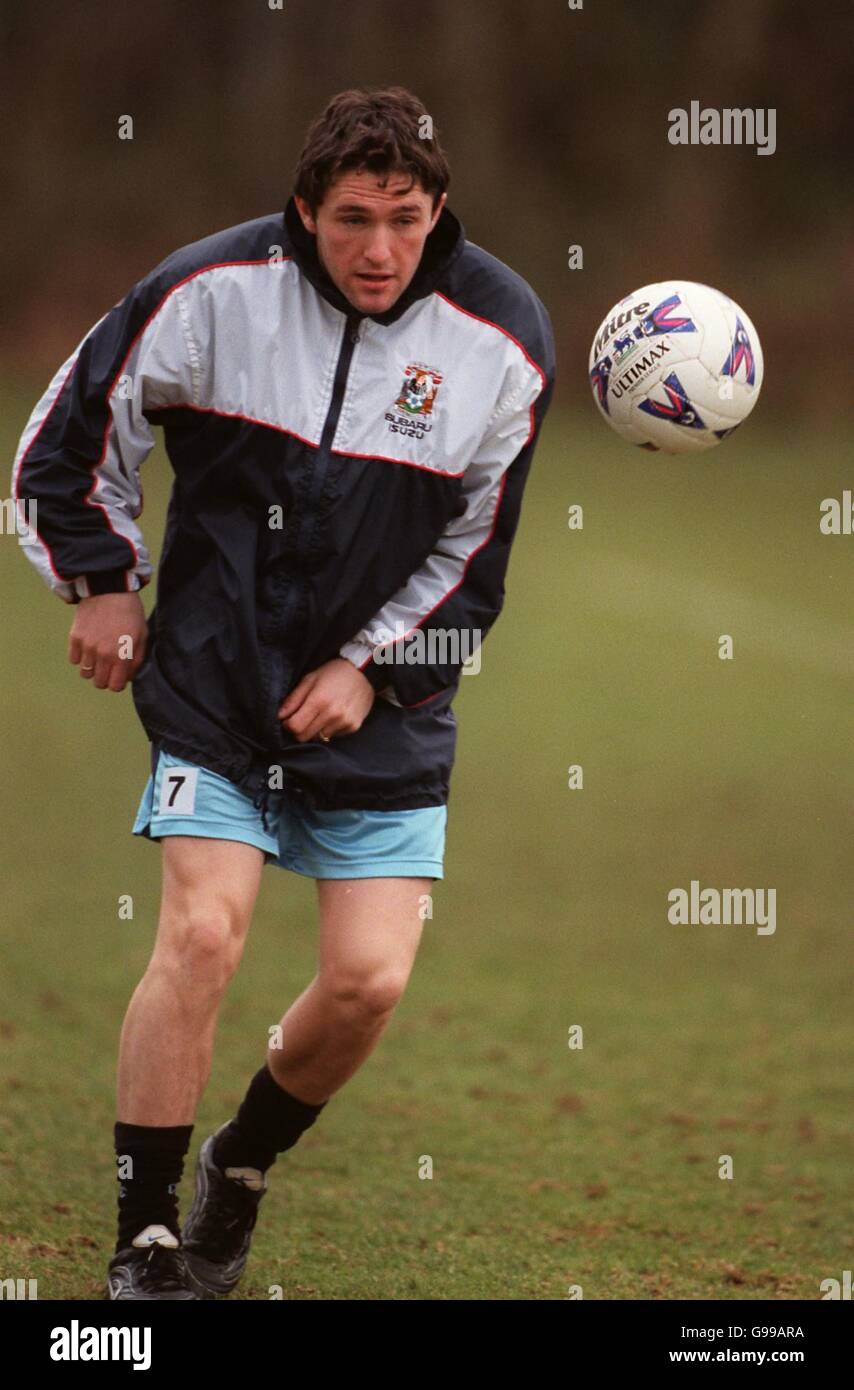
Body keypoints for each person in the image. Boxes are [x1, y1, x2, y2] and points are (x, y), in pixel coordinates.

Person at [12, 85, 556, 1300]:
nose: (378, 249)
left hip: (385, 705)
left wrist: (370, 668)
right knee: (203, 931)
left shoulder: (504, 334)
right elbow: (73, 433)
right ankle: (145, 1238)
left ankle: (239, 1164)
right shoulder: (212, 291)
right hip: (215, 673)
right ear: (303, 210)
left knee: (368, 981)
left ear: (438, 210)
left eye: (405, 219)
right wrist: (102, 582)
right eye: (352, 217)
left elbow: (475, 555)